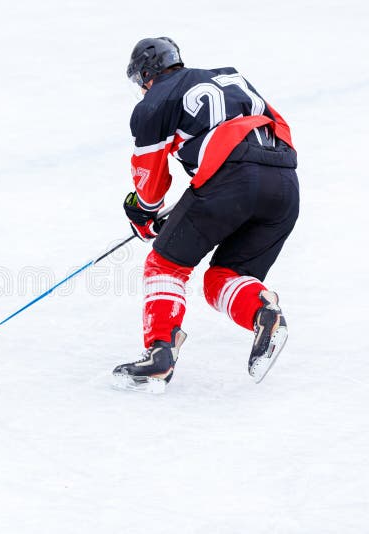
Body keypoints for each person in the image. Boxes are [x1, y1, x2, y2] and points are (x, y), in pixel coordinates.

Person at [112, 37, 299, 393]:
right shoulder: (230, 77)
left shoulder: (155, 101)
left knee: (165, 265)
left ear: (147, 75)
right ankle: (266, 315)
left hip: (231, 182)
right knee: (224, 278)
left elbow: (150, 183)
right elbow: (263, 128)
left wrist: (144, 213)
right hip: (285, 184)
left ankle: (160, 352)